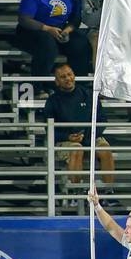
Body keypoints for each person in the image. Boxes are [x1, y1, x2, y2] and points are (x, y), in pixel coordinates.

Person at [42, 62, 115, 191]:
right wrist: (68, 136)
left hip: (91, 136)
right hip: (66, 141)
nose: (68, 79)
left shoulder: (89, 95)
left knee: (105, 149)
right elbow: (49, 128)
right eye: (63, 77)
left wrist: (88, 136)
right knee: (76, 149)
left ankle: (108, 192)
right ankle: (75, 193)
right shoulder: (52, 101)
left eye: (69, 74)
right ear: (57, 81)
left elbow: (102, 119)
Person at [15, 0, 91, 77]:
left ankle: (80, 85)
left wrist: (67, 30)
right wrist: (47, 29)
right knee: (47, 43)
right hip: (34, 31)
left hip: (60, 30)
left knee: (80, 42)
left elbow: (75, 18)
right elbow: (24, 19)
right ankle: (39, 86)